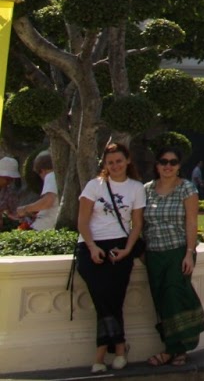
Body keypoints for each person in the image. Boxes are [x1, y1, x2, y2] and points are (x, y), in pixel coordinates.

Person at [76, 140, 146, 372]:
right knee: (103, 299)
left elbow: (137, 224)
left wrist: (128, 249)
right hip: (91, 246)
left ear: (127, 161)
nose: (115, 166)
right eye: (110, 162)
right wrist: (92, 246)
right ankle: (118, 347)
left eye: (119, 161)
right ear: (104, 164)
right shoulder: (94, 186)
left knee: (114, 299)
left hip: (120, 246)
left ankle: (102, 356)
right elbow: (82, 221)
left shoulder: (136, 188)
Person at [142, 145, 204, 366]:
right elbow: (139, 223)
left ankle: (176, 350)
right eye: (163, 162)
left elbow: (191, 222)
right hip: (154, 253)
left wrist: (189, 253)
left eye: (173, 162)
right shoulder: (147, 190)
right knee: (161, 300)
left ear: (179, 166)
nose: (168, 166)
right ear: (157, 165)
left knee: (175, 297)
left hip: (178, 251)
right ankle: (172, 348)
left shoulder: (186, 188)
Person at [12, 151, 60, 230]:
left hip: (44, 226)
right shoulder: (59, 177)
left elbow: (48, 201)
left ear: (42, 171)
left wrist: (24, 209)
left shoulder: (50, 176)